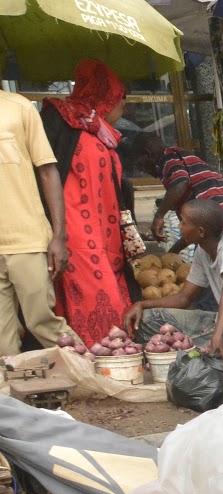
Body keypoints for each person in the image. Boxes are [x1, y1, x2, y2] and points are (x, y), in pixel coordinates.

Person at [40, 59, 134, 346]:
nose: (124, 107)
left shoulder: (97, 131)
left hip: (104, 239)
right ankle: (100, 367)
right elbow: (45, 174)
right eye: (120, 99)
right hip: (77, 237)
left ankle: (107, 367)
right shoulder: (63, 124)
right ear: (104, 98)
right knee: (99, 305)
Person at [122, 198, 223, 354]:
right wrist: (142, 305)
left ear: (201, 232)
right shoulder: (203, 251)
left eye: (183, 223)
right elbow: (184, 298)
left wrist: (217, 336)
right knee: (148, 318)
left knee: (188, 348)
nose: (180, 226)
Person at [0, 85, 70, 356]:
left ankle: (91, 375)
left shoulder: (19, 108)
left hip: (26, 238)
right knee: (2, 341)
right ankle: (10, 396)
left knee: (43, 323)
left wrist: (59, 236)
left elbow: (48, 171)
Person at [130, 134, 223, 251]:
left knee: (213, 271)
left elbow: (180, 183)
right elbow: (195, 229)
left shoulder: (168, 159)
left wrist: (159, 217)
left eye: (141, 165)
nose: (144, 171)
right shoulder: (184, 158)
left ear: (149, 154)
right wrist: (174, 252)